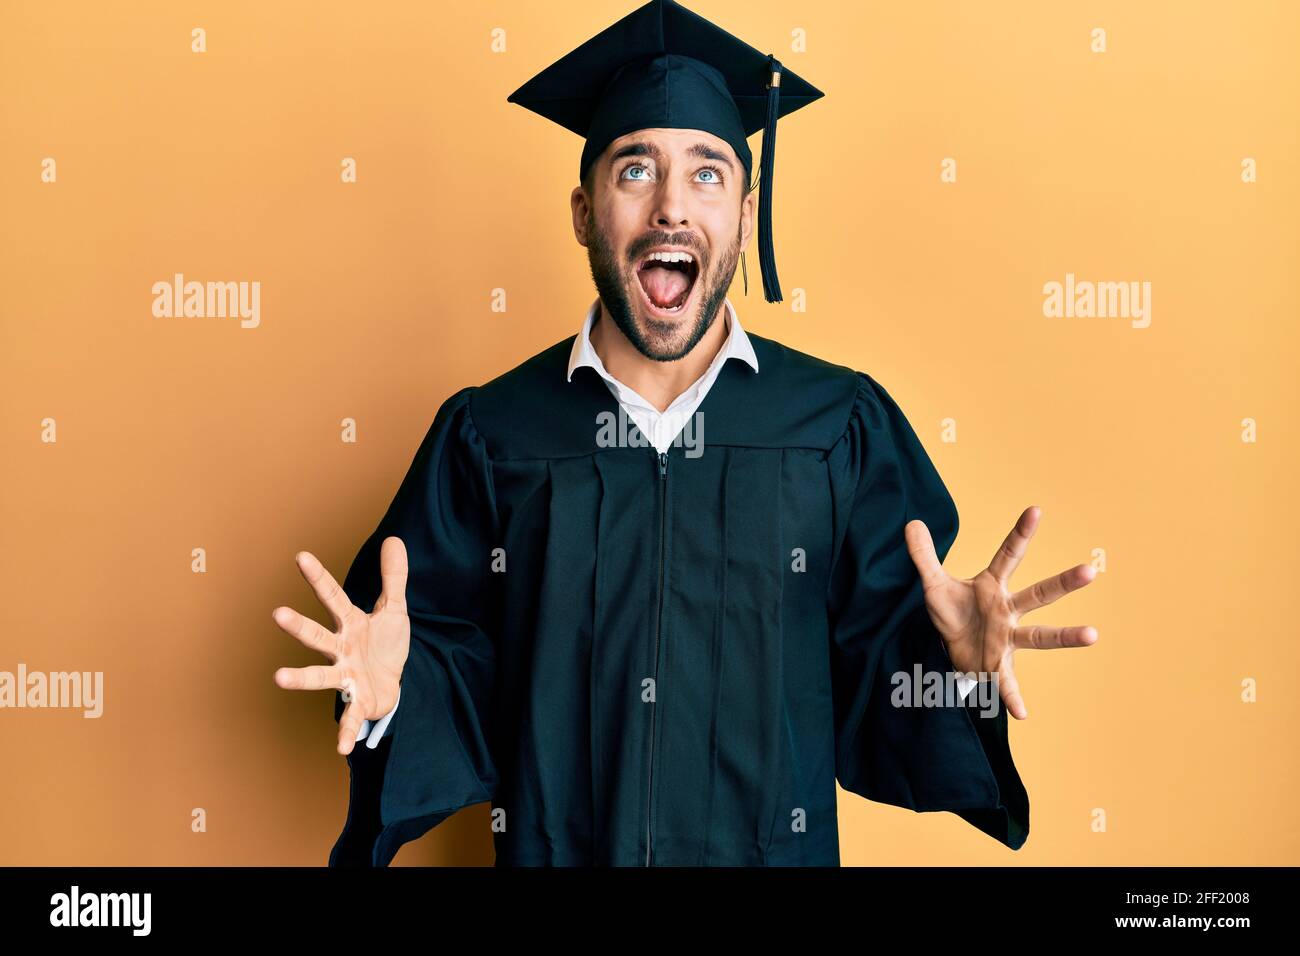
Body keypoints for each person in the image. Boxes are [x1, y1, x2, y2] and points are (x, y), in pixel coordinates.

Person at [272, 0, 1098, 867]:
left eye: (707, 173)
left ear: (745, 215)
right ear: (585, 213)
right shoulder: (492, 436)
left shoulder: (837, 427)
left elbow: (872, 707)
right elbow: (463, 681)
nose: (671, 207)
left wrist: (952, 673)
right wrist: (399, 693)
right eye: (635, 170)